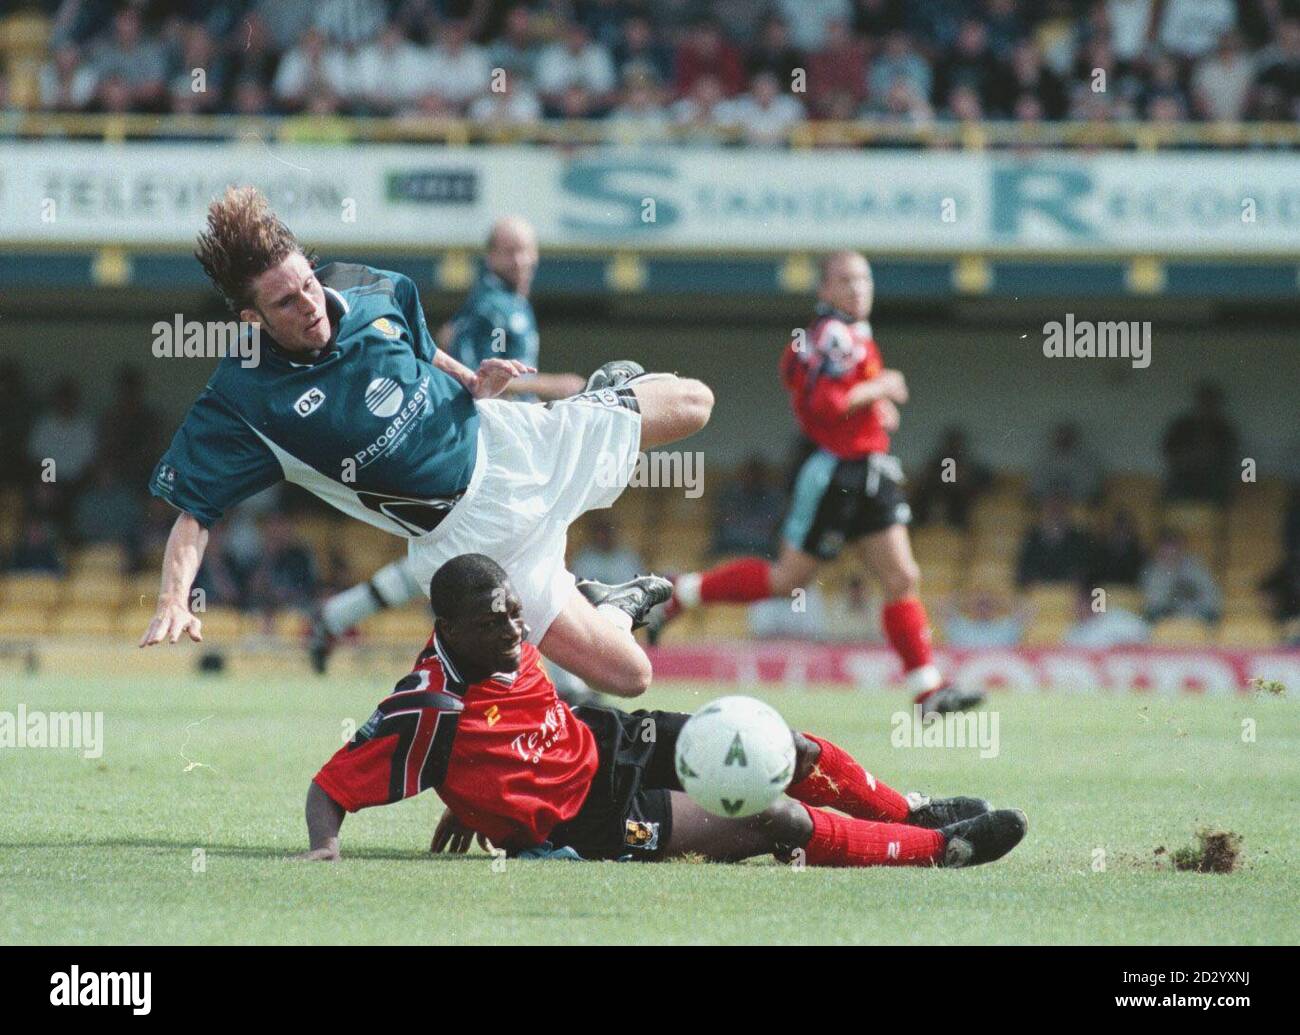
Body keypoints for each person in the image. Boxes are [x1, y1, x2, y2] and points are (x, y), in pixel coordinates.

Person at [139, 187, 713, 703]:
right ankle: (609, 604)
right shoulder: (243, 397)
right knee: (630, 677)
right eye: (285, 302)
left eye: (307, 284)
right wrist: (173, 596)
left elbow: (417, 345)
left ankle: (602, 396)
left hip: (509, 445)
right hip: (465, 542)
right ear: (251, 318)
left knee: (695, 404)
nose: (309, 304)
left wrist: (471, 380)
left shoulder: (364, 286)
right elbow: (196, 512)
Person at [300, 554, 1027, 868]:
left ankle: (911, 811)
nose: (520, 634)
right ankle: (942, 853)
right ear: (451, 630)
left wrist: (477, 797)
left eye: (519, 616)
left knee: (782, 745)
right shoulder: (430, 705)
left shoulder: (497, 644)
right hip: (591, 821)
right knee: (771, 817)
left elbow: (511, 733)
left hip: (604, 736)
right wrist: (326, 846)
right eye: (499, 623)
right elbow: (331, 785)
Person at [649, 252, 984, 715]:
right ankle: (681, 593)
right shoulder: (833, 335)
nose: (858, 289)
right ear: (824, 290)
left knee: (902, 576)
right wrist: (881, 388)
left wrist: (872, 406)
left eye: (864, 279)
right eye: (845, 281)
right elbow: (827, 406)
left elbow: (824, 392)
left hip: (869, 467)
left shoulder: (845, 333)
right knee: (789, 578)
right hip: (837, 473)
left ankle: (928, 690)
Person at [309, 215, 584, 671]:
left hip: (505, 446)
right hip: (491, 448)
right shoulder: (493, 306)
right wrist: (557, 386)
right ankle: (565, 683)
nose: (522, 259)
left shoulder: (506, 303)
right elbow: (479, 377)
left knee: (455, 558)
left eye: (527, 249)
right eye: (511, 250)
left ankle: (335, 617)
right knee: (506, 559)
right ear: (491, 256)